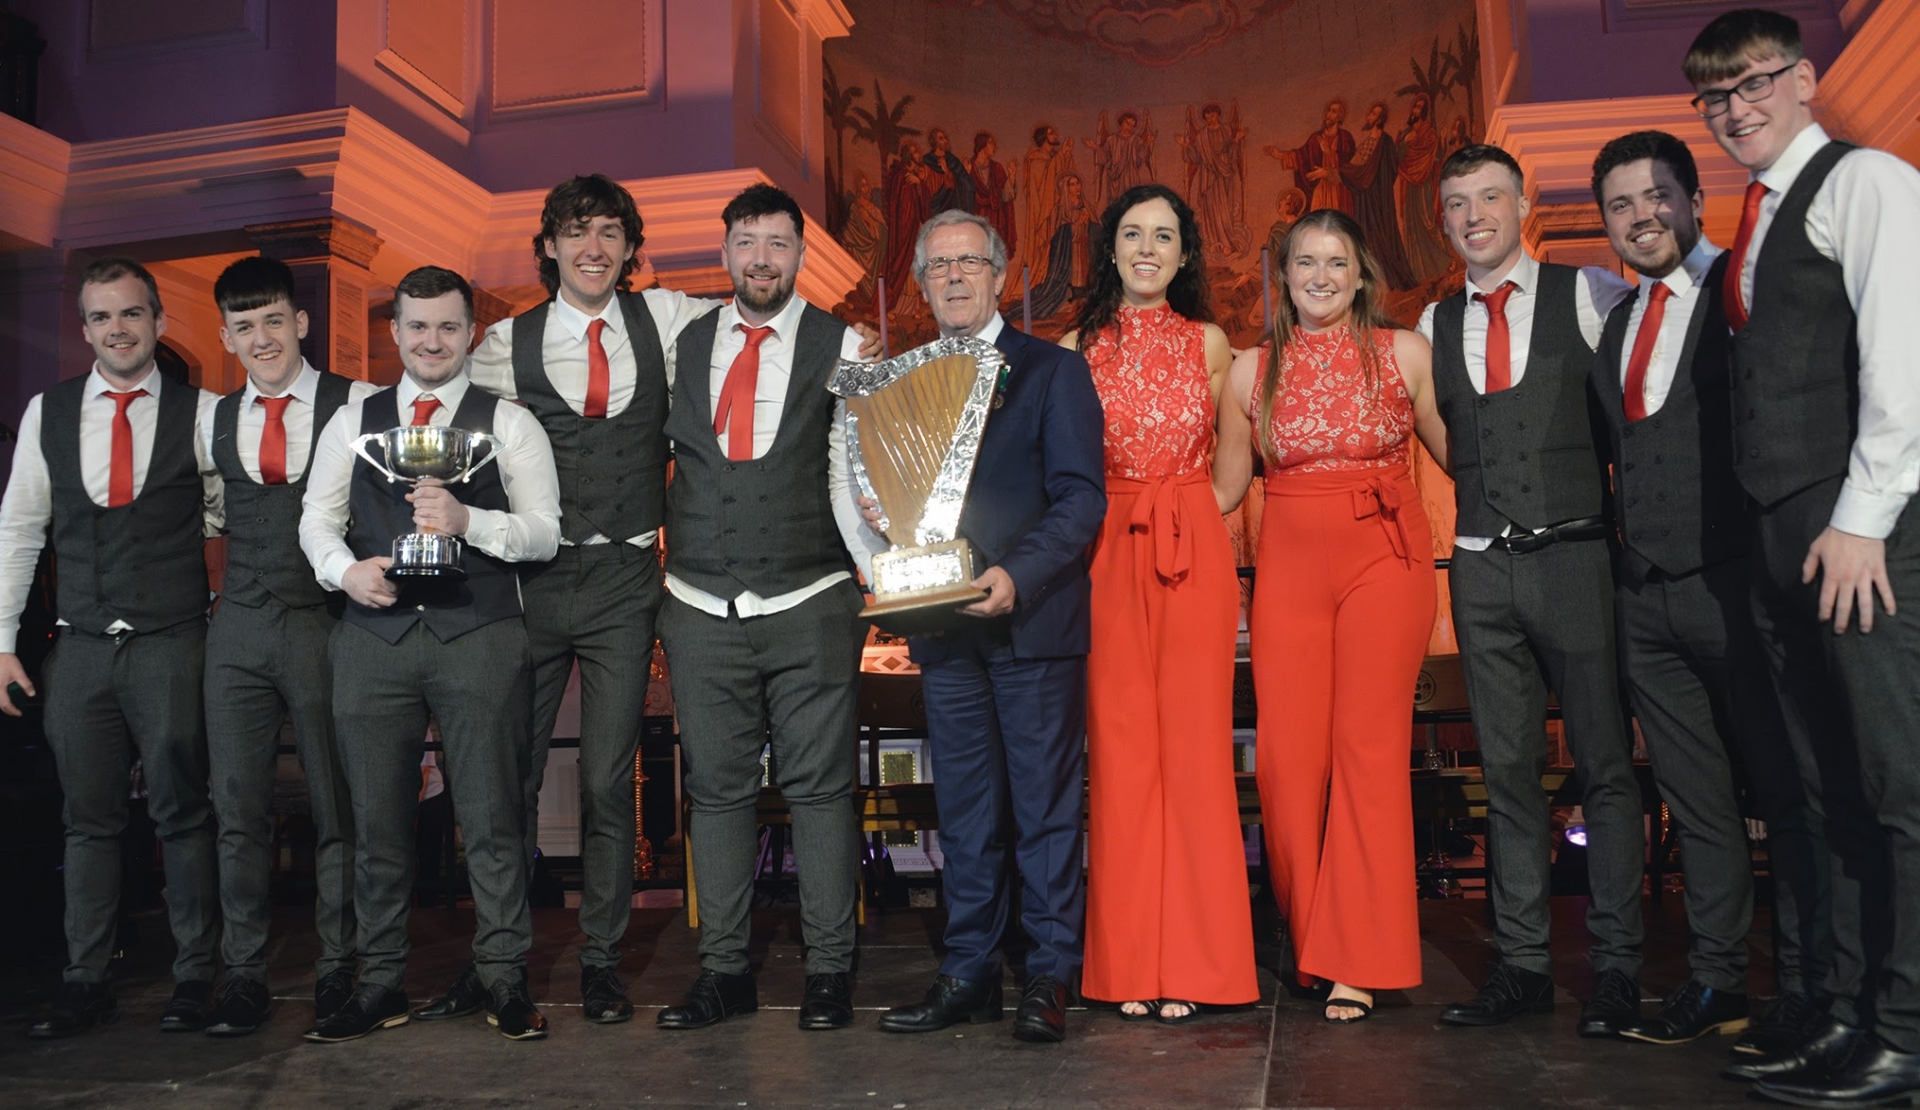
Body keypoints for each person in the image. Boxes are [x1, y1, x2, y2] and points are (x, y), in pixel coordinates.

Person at [1681, 11, 1920, 1105]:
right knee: (1821, 793)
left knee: (1894, 784)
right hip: (1785, 541)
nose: (1737, 109)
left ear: (1807, 78)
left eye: (1754, 84)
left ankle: (1906, 1036)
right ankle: (1842, 1013)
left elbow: (1903, 357)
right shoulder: (1761, 219)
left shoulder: (1866, 181)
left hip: (1857, 539)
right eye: (1715, 97)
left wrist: (1864, 517)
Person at [457, 173, 718, 1026]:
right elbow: (442, 408)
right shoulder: (503, 344)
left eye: (610, 231)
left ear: (630, 249)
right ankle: (497, 957)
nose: (594, 247)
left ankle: (601, 961)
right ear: (548, 248)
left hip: (624, 581)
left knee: (609, 782)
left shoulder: (669, 319)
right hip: (530, 581)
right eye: (577, 232)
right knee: (510, 775)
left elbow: (765, 327)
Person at [1586, 130, 1820, 1047]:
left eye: (1656, 198)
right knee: (1698, 802)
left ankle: (1805, 986)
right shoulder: (1615, 319)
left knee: (1784, 786)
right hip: (1645, 596)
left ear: (1691, 199)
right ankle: (1719, 982)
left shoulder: (1742, 290)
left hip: (1739, 584)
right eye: (1620, 206)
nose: (1641, 218)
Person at [298, 266, 561, 1043]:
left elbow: (545, 532)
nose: (432, 341)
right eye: (417, 326)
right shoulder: (355, 419)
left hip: (478, 638)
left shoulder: (509, 421)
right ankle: (380, 983)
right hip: (372, 641)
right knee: (376, 825)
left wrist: (469, 521)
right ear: (395, 332)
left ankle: (505, 979)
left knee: (493, 818)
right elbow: (317, 519)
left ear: (471, 331)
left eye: (448, 326)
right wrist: (344, 571)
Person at [1418, 144, 1646, 1036]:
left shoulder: (1591, 295)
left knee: (1604, 764)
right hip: (1480, 568)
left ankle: (1620, 966)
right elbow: (1449, 441)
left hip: (1579, 558)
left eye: (1489, 198)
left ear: (1523, 208)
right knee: (1506, 773)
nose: (1473, 215)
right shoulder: (1433, 323)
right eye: (1456, 204)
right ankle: (1521, 966)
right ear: (1442, 220)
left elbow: (1647, 403)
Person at [651, 184, 876, 1033]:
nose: (761, 259)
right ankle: (724, 972)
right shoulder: (684, 341)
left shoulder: (843, 343)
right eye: (746, 242)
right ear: (724, 254)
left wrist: (882, 575)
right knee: (716, 792)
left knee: (821, 791)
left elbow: (859, 476)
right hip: (699, 604)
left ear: (799, 256)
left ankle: (828, 972)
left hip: (813, 596)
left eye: (778, 243)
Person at [876, 210, 1106, 1044]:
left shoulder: (1052, 371)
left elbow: (1083, 497)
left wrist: (1018, 576)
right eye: (938, 267)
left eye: (970, 262)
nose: (955, 277)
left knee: (1044, 811)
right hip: (944, 631)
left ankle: (1048, 975)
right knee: (966, 812)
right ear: (921, 283)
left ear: (1001, 275)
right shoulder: (900, 383)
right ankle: (968, 968)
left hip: (1033, 622)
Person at [1221, 209, 1446, 1024]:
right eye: (1304, 262)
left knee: (1367, 749)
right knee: (1285, 764)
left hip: (1385, 557)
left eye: (1336, 261)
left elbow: (1463, 453)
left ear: (1361, 275)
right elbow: (1223, 487)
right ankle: (1318, 936)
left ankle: (1359, 957)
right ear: (1284, 278)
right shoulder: (1252, 371)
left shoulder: (1406, 352)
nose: (1320, 275)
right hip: (1288, 566)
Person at [2, 258, 222, 1038]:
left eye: (131, 313)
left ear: (159, 322)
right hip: (82, 646)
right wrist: (2, 643)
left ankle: (197, 975)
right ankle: (85, 980)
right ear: (85, 328)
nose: (116, 329)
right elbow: (20, 527)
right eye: (100, 317)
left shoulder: (204, 413)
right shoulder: (48, 412)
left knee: (183, 813)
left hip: (173, 639)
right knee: (86, 819)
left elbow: (232, 516)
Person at [1059, 184, 1256, 1024]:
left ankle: (1201, 966)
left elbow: (1237, 464)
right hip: (1104, 552)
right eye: (1132, 234)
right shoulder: (1074, 347)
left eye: (1164, 236)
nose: (1147, 248)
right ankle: (1130, 963)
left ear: (1185, 254)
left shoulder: (1211, 342)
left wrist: (1189, 516)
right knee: (1123, 754)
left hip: (1191, 550)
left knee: (1197, 755)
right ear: (1110, 249)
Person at [199, 256, 379, 1036]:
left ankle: (339, 966)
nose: (261, 338)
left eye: (274, 320)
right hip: (236, 625)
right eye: (244, 326)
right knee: (235, 807)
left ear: (301, 323)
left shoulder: (357, 403)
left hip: (321, 621)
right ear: (226, 336)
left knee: (336, 806)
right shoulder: (208, 418)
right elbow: (209, 512)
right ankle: (241, 973)